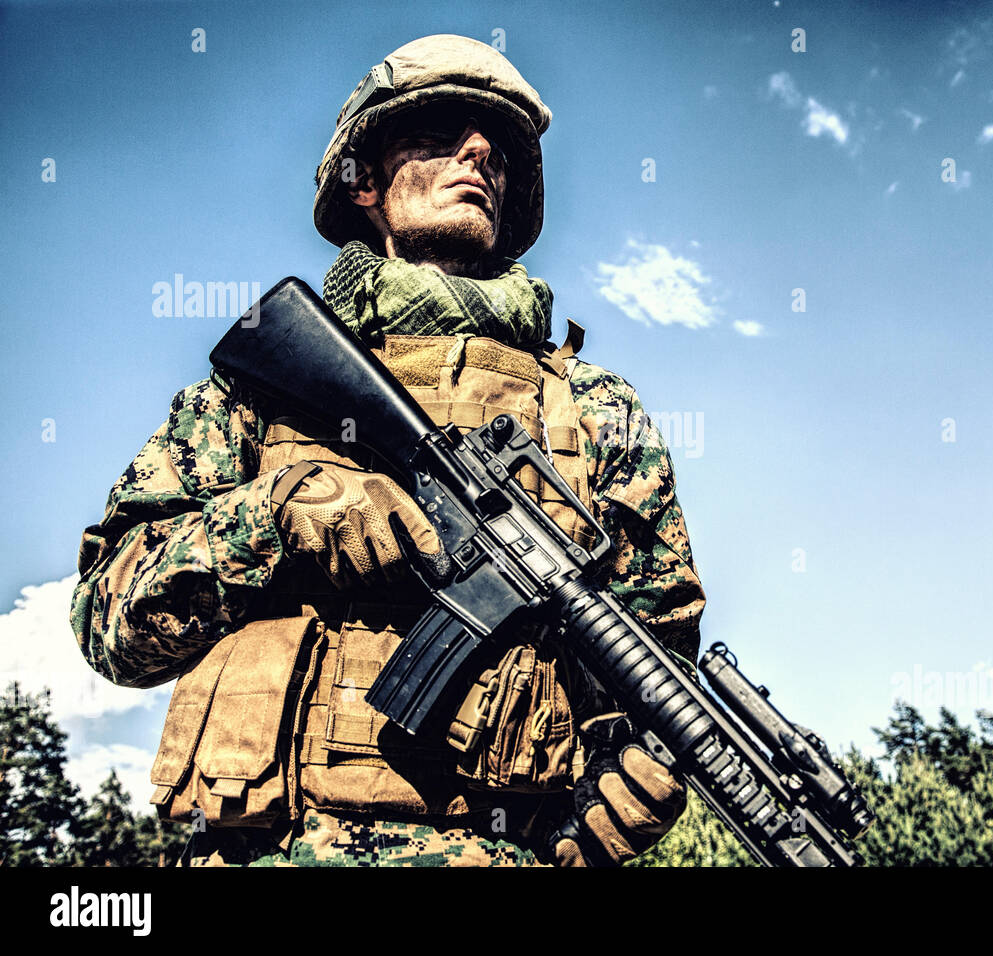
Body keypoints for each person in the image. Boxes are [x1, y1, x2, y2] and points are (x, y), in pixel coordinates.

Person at [69, 34, 706, 867]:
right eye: (440, 131)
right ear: (361, 180)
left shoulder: (594, 411)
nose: (479, 153)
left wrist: (632, 788)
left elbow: (659, 677)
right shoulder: (259, 396)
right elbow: (106, 627)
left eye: (498, 149)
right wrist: (276, 510)